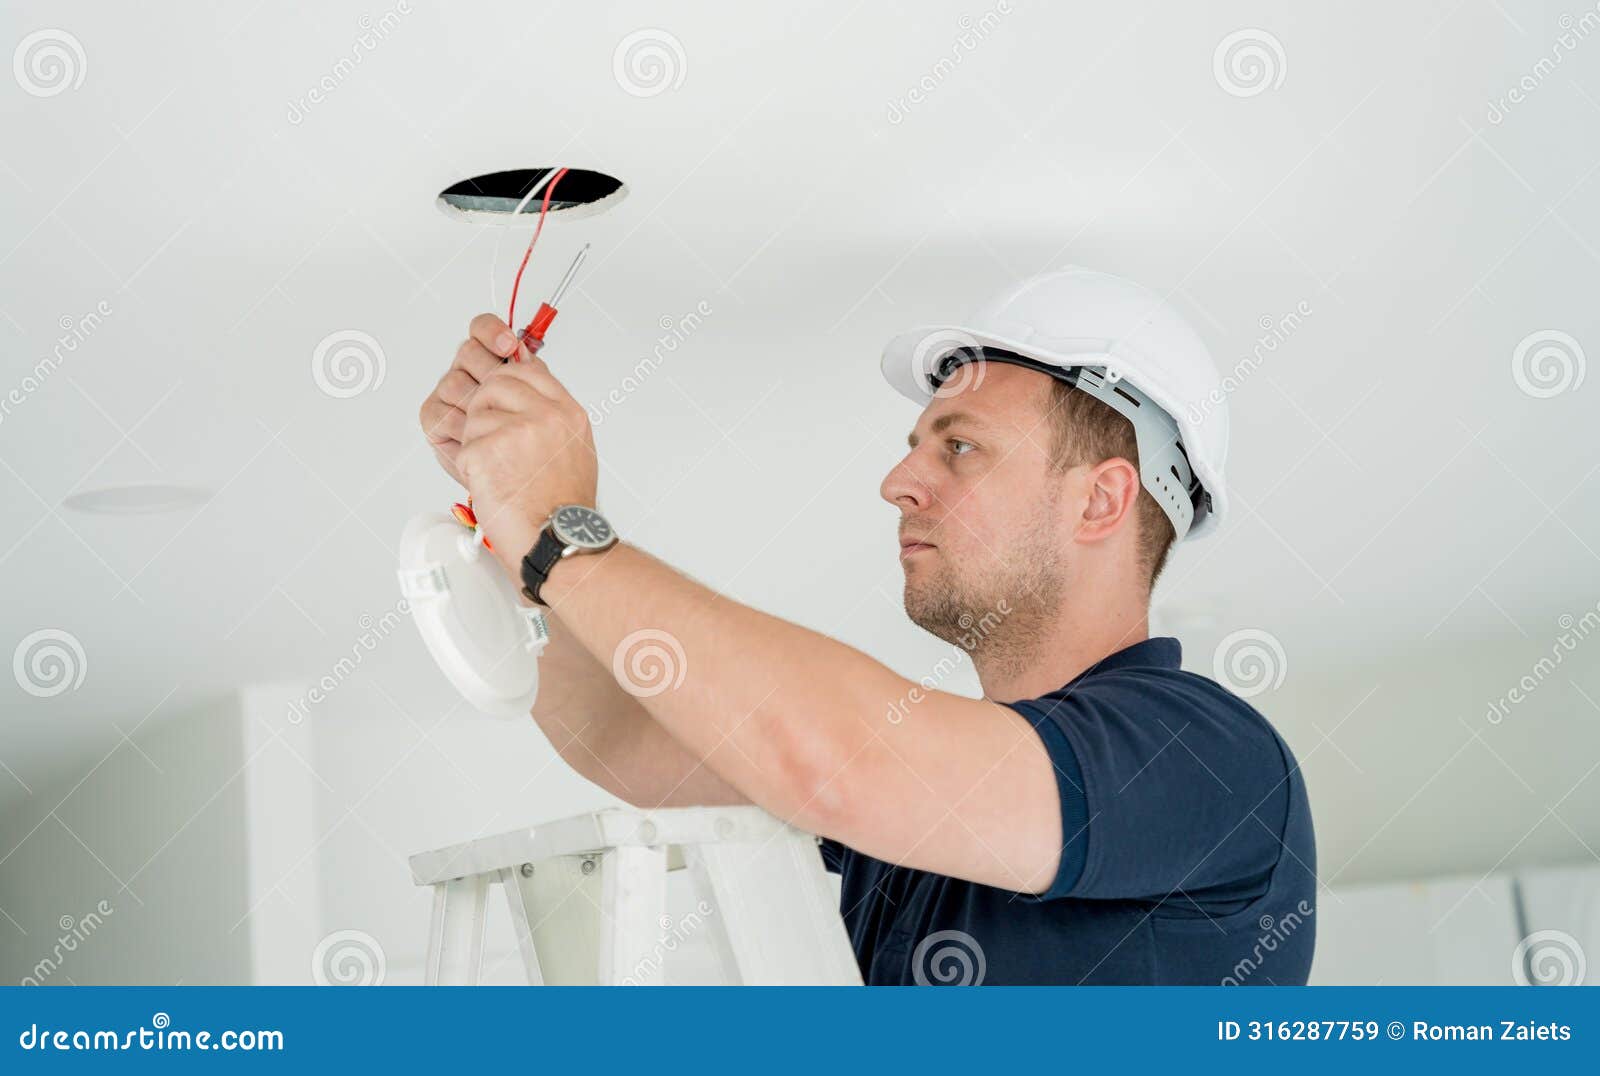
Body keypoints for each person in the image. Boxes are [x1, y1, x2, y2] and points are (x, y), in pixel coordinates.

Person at [417, 268, 1316, 985]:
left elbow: (838, 764)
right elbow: (627, 735)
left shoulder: (1210, 760)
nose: (900, 481)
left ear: (1100, 500)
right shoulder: (921, 811)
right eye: (917, 443)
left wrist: (565, 532)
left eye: (958, 446)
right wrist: (522, 541)